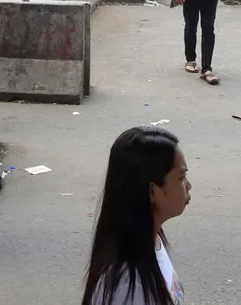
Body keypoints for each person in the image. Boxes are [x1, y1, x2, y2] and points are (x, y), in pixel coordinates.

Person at [81, 126, 190, 305]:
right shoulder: (131, 288)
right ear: (152, 191)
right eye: (181, 177)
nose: (188, 185)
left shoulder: (151, 241)